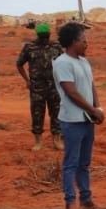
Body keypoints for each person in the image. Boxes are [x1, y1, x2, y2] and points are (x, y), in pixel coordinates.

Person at [53, 21, 105, 209]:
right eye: (84, 40)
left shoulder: (83, 62)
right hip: (72, 120)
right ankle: (70, 202)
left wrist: (97, 109)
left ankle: (86, 199)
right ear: (73, 42)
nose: (87, 43)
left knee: (84, 163)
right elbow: (71, 92)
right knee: (71, 163)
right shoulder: (62, 63)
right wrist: (92, 109)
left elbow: (91, 87)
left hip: (87, 119)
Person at [16, 22, 64, 151]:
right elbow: (19, 64)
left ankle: (57, 140)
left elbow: (64, 63)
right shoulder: (29, 47)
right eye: (42, 36)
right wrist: (27, 80)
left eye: (46, 36)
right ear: (38, 35)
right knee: (37, 114)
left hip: (54, 86)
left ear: (49, 35)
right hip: (37, 87)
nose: (44, 38)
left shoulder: (56, 46)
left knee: (56, 113)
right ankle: (38, 142)